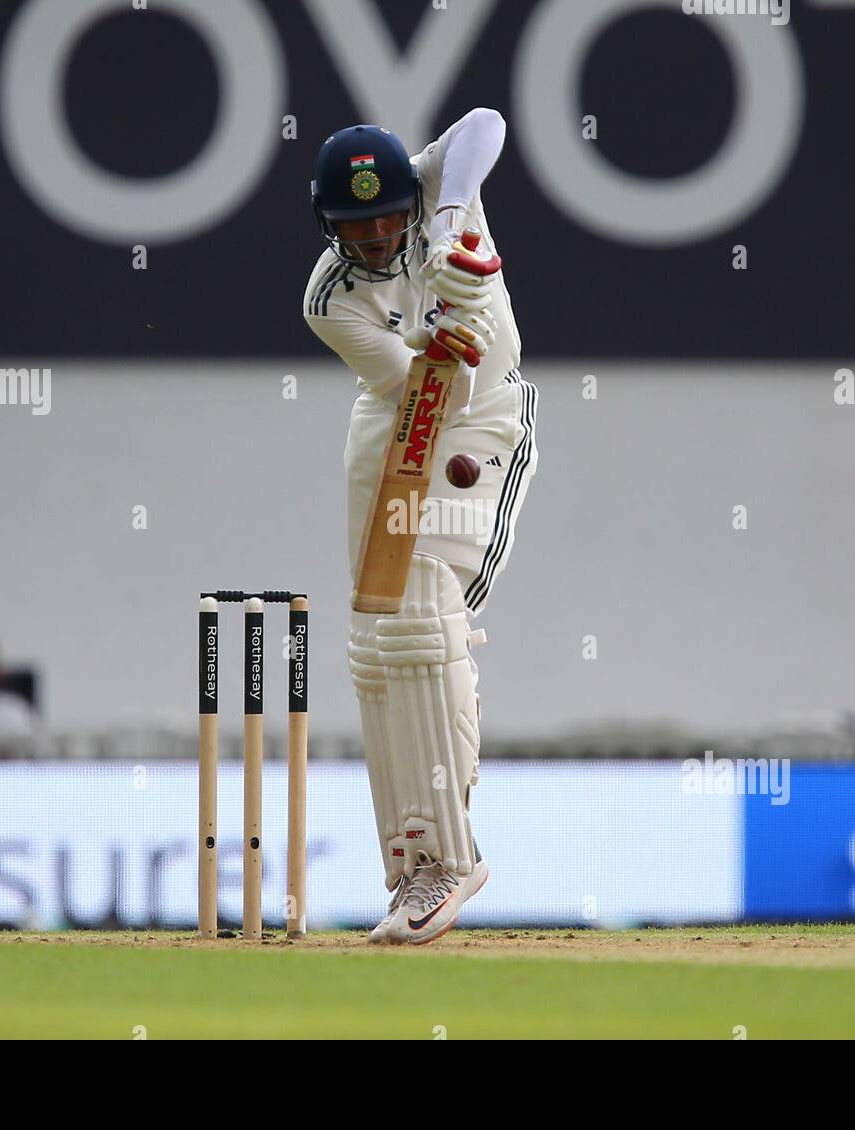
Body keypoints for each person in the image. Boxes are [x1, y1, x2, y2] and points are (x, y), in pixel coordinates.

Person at [304, 108, 538, 944]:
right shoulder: (330, 300)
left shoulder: (435, 187)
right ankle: (407, 865)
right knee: (377, 630)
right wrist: (449, 324)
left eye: (386, 217)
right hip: (401, 417)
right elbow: (422, 395)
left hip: (485, 419)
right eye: (353, 227)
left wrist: (449, 226)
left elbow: (485, 121)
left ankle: (450, 857)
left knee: (425, 600)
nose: (373, 237)